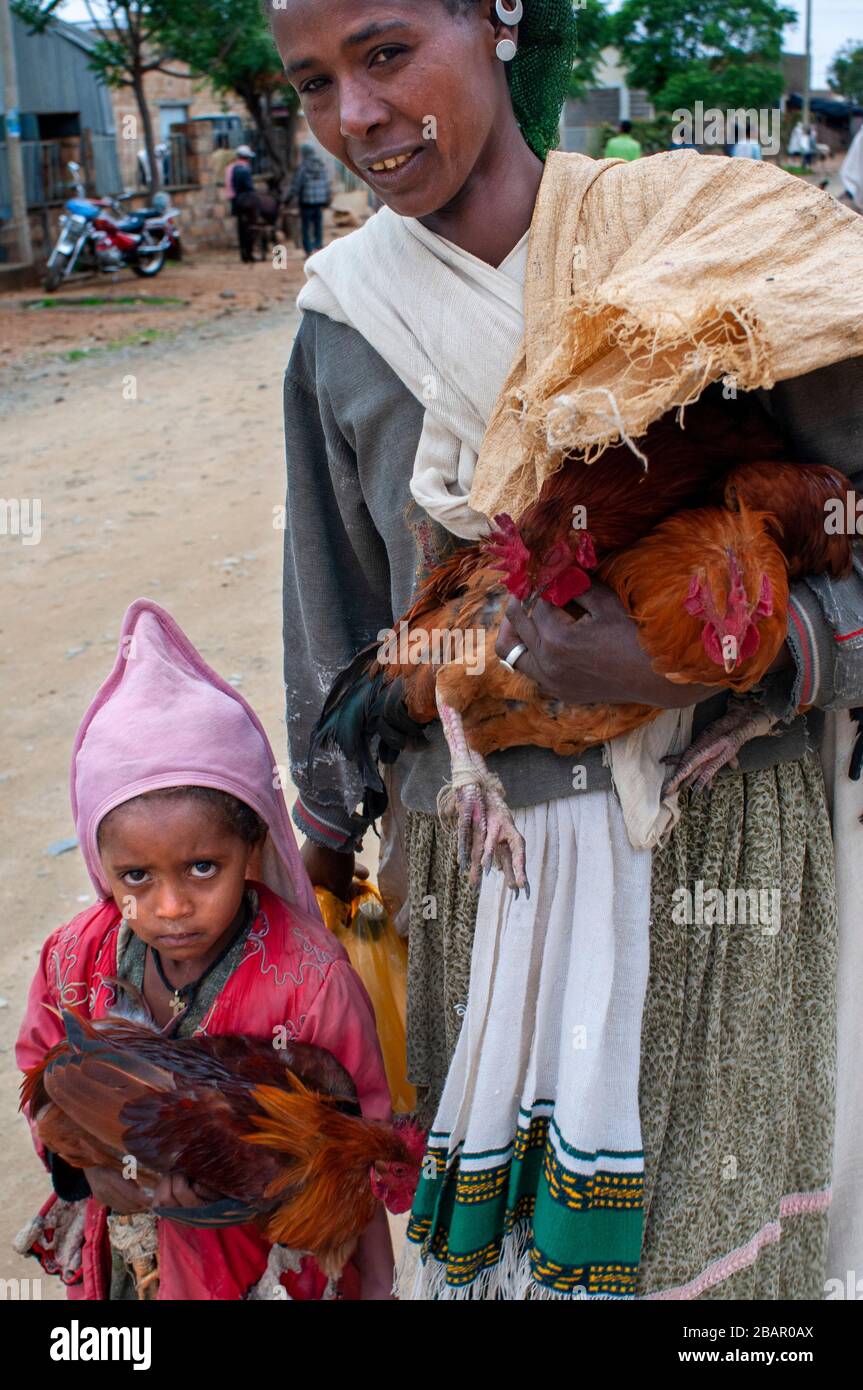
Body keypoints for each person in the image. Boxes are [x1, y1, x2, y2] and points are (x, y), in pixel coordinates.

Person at [272, 0, 863, 1299]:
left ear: (496, 14)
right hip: (476, 875)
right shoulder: (338, 326)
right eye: (313, 81)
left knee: (713, 1276)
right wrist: (309, 875)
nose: (354, 115)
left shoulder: (705, 248)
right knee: (510, 1265)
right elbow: (332, 641)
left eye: (383, 53)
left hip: (719, 865)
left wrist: (718, 660)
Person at [15, 599, 394, 1301]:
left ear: (252, 846)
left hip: (267, 1269)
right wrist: (96, 1175)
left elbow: (366, 1144)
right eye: (135, 877)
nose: (169, 906)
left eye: (201, 869)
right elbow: (43, 1065)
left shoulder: (310, 983)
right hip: (128, 1255)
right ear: (100, 865)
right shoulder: (76, 958)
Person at [289, 142, 333, 255]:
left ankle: (308, 249)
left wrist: (290, 196)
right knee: (318, 225)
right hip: (319, 202)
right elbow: (327, 184)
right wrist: (327, 197)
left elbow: (297, 185)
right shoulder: (321, 165)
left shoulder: (303, 168)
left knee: (306, 227)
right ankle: (318, 247)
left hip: (306, 202)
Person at [227, 145, 258, 263]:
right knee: (250, 228)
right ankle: (249, 253)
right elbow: (249, 187)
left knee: (241, 228)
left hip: (238, 201)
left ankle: (243, 254)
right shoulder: (245, 170)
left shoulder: (233, 169)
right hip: (248, 202)